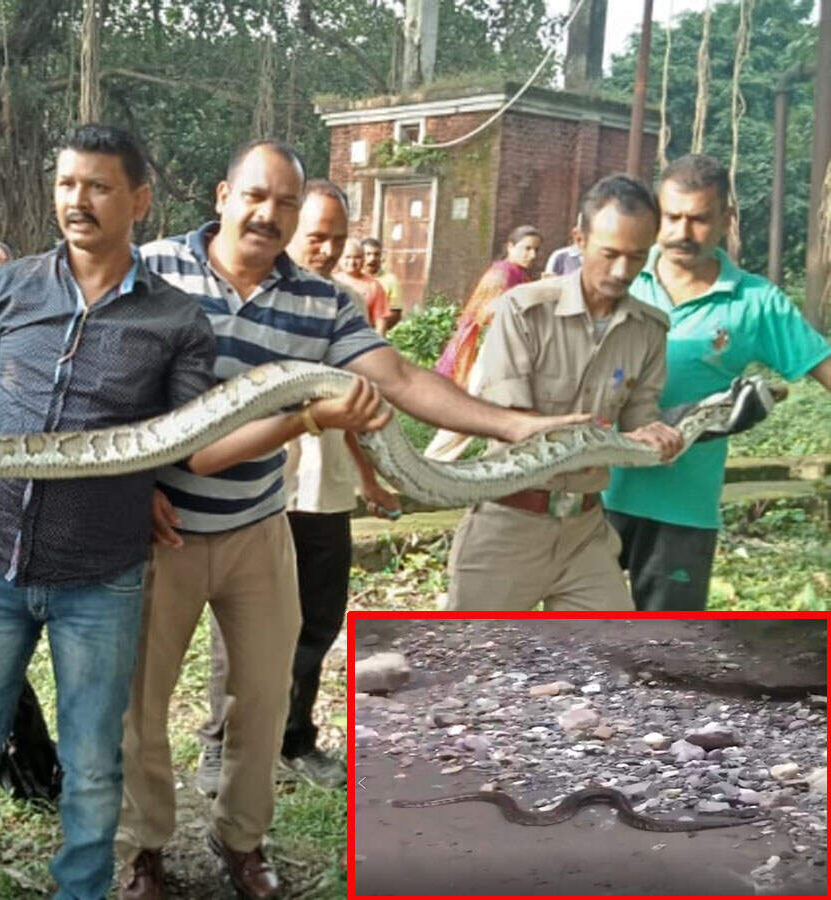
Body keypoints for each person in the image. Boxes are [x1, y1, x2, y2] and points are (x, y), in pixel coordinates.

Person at [0, 125, 385, 900]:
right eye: (66, 184)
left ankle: (88, 889)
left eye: (99, 186)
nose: (77, 201)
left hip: (101, 575)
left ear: (139, 200)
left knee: (92, 763)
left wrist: (312, 413)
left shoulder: (175, 319)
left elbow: (192, 442)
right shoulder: (8, 286)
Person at [117, 139, 590, 900]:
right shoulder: (153, 270)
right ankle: (145, 850)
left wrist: (513, 428)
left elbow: (400, 377)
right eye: (255, 196)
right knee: (141, 705)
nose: (268, 214)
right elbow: (112, 385)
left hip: (257, 528)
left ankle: (241, 839)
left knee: (266, 698)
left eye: (284, 203)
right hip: (159, 531)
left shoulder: (321, 301)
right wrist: (132, 486)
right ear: (221, 195)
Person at [193, 180, 401, 795]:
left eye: (338, 238)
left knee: (318, 619)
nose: (329, 249)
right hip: (264, 494)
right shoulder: (253, 302)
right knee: (237, 629)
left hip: (326, 492)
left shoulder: (340, 306)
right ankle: (218, 744)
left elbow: (363, 409)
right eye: (317, 236)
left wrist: (370, 480)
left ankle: (295, 737)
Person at [603, 154, 831, 610]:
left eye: (699, 219)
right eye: (672, 217)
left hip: (683, 511)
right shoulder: (618, 274)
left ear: (727, 218)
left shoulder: (756, 303)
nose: (682, 233)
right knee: (572, 644)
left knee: (669, 653)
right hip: (596, 495)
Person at [447, 175, 684, 612]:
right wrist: (613, 442)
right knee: (473, 667)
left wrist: (657, 438)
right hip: (509, 524)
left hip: (585, 531)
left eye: (636, 257)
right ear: (579, 239)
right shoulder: (524, 311)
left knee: (612, 662)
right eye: (609, 254)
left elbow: (639, 419)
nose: (621, 271)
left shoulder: (650, 329)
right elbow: (516, 424)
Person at [425, 224, 543, 460]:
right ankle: (431, 462)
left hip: (506, 355)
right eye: (527, 248)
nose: (533, 255)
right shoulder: (502, 273)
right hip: (488, 353)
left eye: (536, 250)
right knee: (470, 412)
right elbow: (487, 313)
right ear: (510, 247)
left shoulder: (519, 274)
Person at [335, 238, 392, 337]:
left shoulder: (374, 285)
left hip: (361, 339)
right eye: (347, 257)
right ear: (339, 259)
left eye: (357, 257)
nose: (352, 262)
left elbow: (381, 321)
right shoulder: (331, 282)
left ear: (363, 259)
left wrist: (377, 344)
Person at [361, 236, 401, 324]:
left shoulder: (390, 280)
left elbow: (396, 312)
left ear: (381, 256)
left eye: (376, 254)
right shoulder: (353, 279)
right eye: (368, 254)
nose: (372, 258)